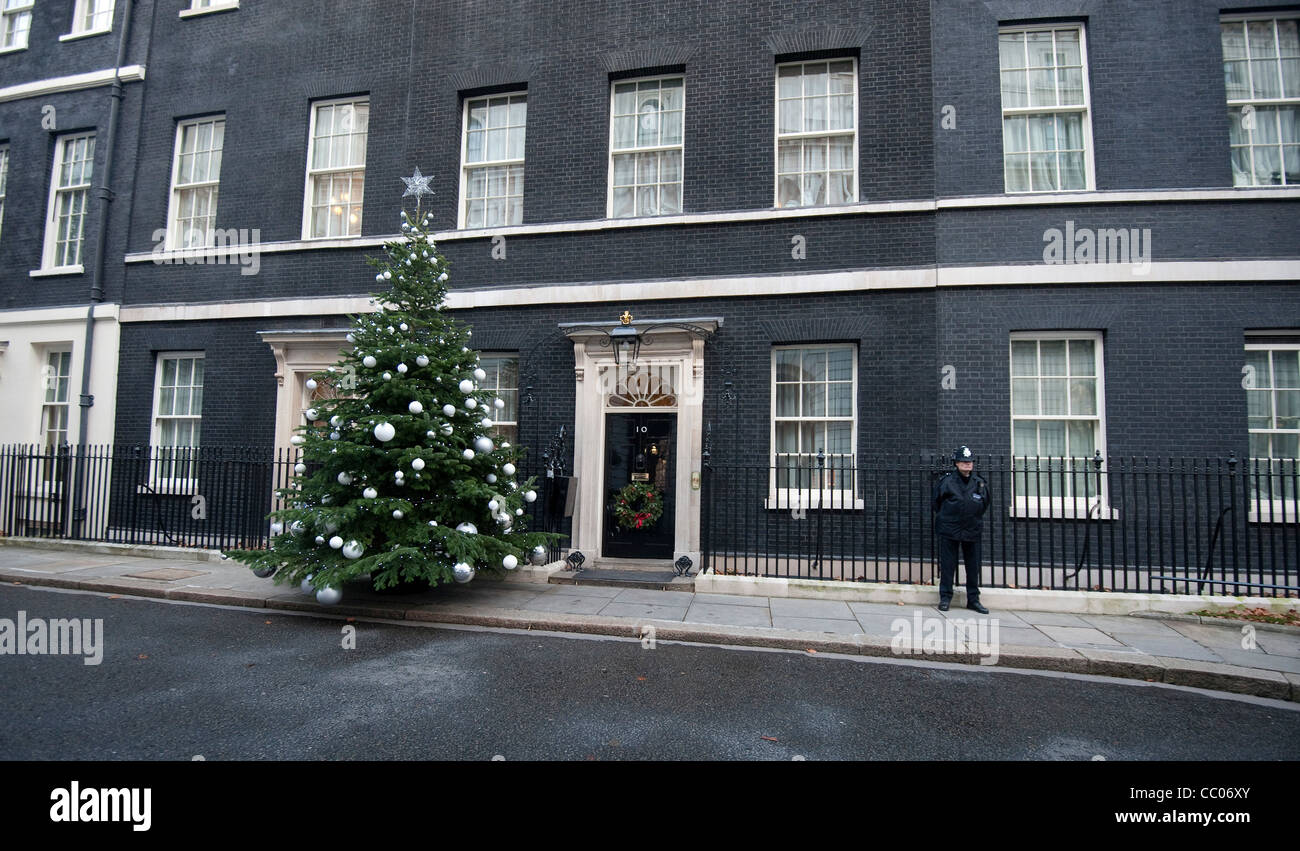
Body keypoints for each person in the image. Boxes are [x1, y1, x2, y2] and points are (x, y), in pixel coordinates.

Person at [931, 445, 990, 614]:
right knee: (948, 565)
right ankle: (945, 597)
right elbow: (937, 503)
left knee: (973, 567)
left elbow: (985, 503)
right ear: (956, 463)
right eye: (963, 461)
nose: (967, 464)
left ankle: (973, 599)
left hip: (972, 529)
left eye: (969, 461)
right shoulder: (947, 482)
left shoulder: (979, 483)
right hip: (950, 529)